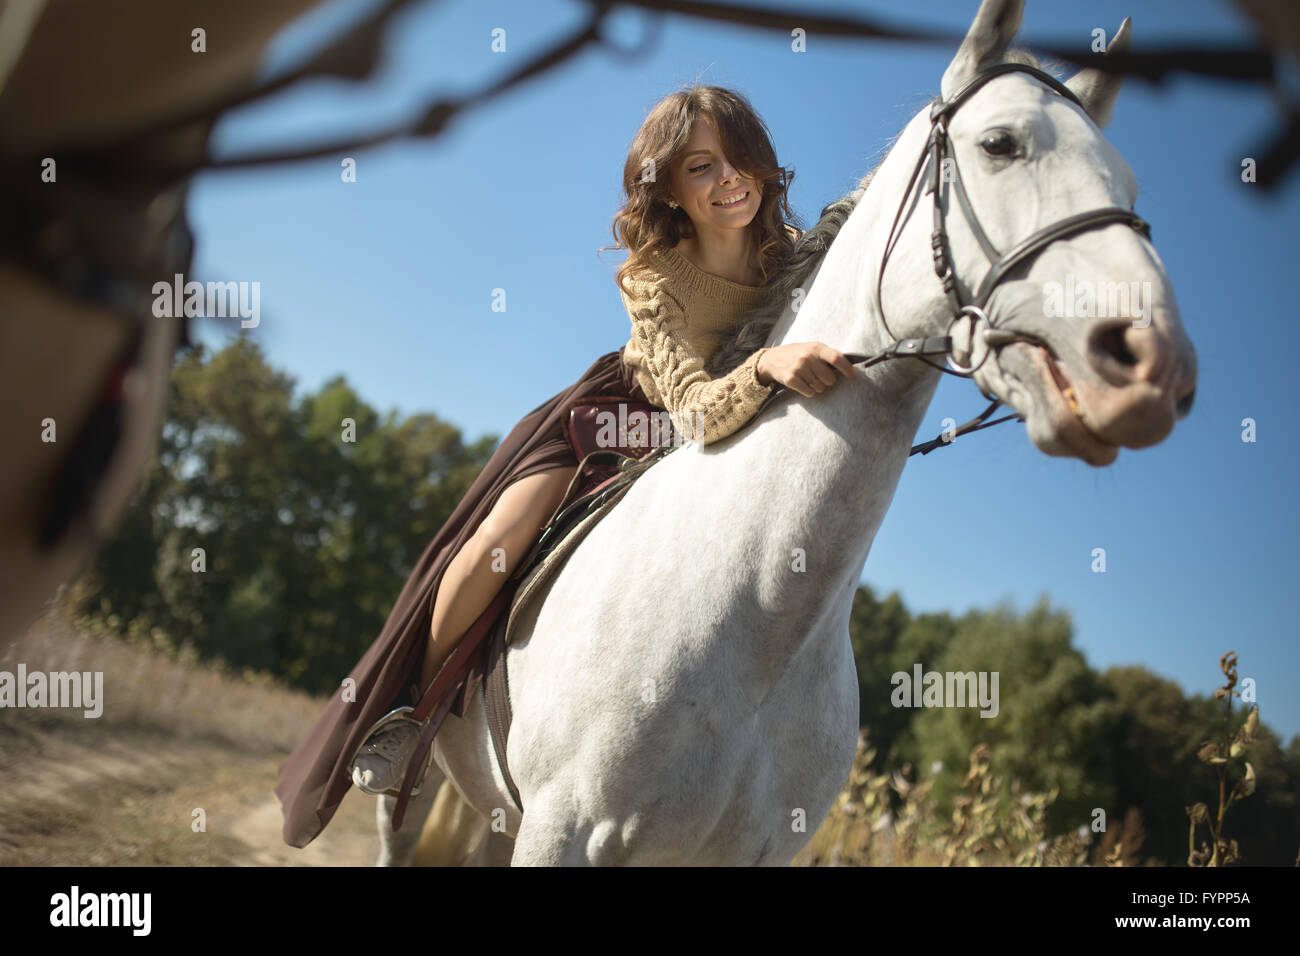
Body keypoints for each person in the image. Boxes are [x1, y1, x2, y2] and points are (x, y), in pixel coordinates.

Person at [273, 83, 854, 849]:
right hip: (614, 421)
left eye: (739, 159)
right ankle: (413, 713)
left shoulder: (791, 256)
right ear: (670, 192)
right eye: (701, 168)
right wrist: (769, 365)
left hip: (719, 436)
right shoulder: (652, 276)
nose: (729, 180)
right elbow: (692, 410)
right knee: (498, 542)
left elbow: (865, 219)